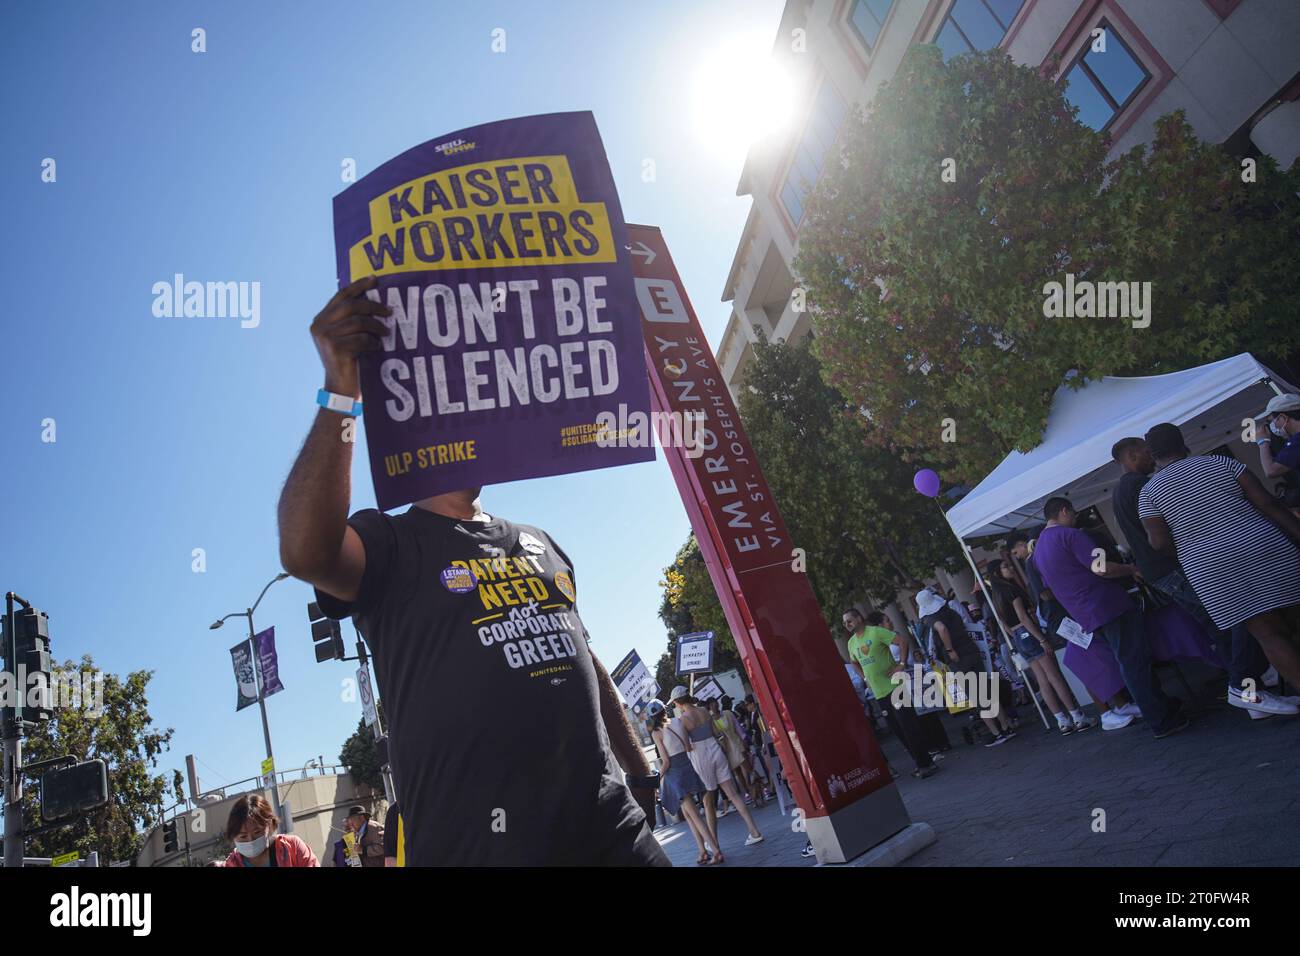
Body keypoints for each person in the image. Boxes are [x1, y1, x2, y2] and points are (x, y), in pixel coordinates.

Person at [277, 276, 668, 867]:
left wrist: (639, 770)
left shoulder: (542, 542)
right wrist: (340, 386)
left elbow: (585, 657)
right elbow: (305, 552)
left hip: (613, 836)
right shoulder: (389, 543)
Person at [1111, 436, 1287, 718]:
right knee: (1238, 615)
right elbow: (1162, 533)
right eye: (1146, 453)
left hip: (1159, 572)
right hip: (1172, 567)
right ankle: (1245, 686)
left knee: (1223, 625)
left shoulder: (1120, 493)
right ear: (1132, 455)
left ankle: (1252, 691)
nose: (1152, 459)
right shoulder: (1144, 486)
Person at [1033, 496, 1188, 738]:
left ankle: (1161, 707)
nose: (1075, 518)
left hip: (1086, 613)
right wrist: (1131, 569)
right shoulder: (1071, 535)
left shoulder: (1039, 551)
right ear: (1064, 511)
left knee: (1129, 661)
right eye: (1073, 513)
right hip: (1108, 605)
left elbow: (1048, 590)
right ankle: (1161, 719)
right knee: (1134, 662)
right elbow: (1102, 567)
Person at [1006, 533, 1139, 730]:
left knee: (1100, 659)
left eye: (1015, 551)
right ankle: (1105, 712)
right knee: (1090, 664)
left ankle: (1120, 705)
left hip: (1069, 616)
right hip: (1065, 621)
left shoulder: (1037, 558)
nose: (1016, 556)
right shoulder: (1033, 561)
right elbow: (1044, 593)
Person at [986, 559, 1096, 734]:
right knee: (1054, 677)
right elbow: (1023, 616)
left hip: (1017, 637)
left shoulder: (995, 595)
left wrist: (1015, 636)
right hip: (1029, 632)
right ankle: (1077, 717)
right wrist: (1041, 639)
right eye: (1005, 567)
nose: (1011, 568)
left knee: (1042, 681)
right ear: (997, 573)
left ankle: (1062, 721)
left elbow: (1002, 623)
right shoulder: (1010, 590)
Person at [668, 686, 763, 862]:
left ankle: (715, 847)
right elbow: (714, 732)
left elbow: (686, 746)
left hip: (700, 755)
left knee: (707, 802)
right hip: (715, 749)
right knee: (733, 794)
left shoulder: (683, 720)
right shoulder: (704, 710)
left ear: (678, 702)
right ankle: (754, 831)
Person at [844, 608, 939, 776]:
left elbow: (902, 642)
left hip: (895, 687)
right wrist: (865, 678)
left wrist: (901, 665)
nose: (847, 624)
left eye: (849, 620)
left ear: (859, 618)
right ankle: (919, 763)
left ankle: (926, 763)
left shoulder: (876, 632)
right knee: (899, 730)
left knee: (909, 725)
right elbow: (854, 663)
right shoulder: (851, 643)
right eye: (845, 623)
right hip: (879, 693)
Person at [916, 587, 1016, 746]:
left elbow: (941, 628)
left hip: (959, 659)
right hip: (971, 651)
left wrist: (949, 649)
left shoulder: (931, 619)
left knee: (977, 697)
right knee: (987, 691)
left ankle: (996, 733)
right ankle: (1005, 726)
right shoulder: (951, 611)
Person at [648, 700, 716, 865]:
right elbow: (687, 746)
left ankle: (716, 850)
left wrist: (656, 779)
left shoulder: (656, 733)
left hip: (675, 774)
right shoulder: (677, 722)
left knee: (694, 815)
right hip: (688, 767)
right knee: (688, 814)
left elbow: (665, 762)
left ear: (652, 717)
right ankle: (702, 851)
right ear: (665, 710)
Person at [222, 794, 318, 867]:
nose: (251, 840)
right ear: (233, 836)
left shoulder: (292, 847)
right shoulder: (231, 864)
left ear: (270, 824)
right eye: (243, 836)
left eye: (257, 832)